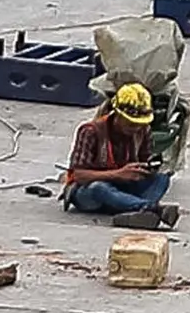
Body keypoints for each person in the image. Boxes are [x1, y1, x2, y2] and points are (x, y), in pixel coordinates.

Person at [64, 82, 180, 229]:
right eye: (131, 124)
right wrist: (118, 174)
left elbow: (144, 160)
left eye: (139, 124)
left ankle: (132, 210)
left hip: (122, 188)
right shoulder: (90, 131)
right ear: (117, 114)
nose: (136, 128)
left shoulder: (143, 131)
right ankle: (150, 209)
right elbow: (79, 175)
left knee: (162, 179)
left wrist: (145, 170)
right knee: (99, 188)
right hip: (90, 192)